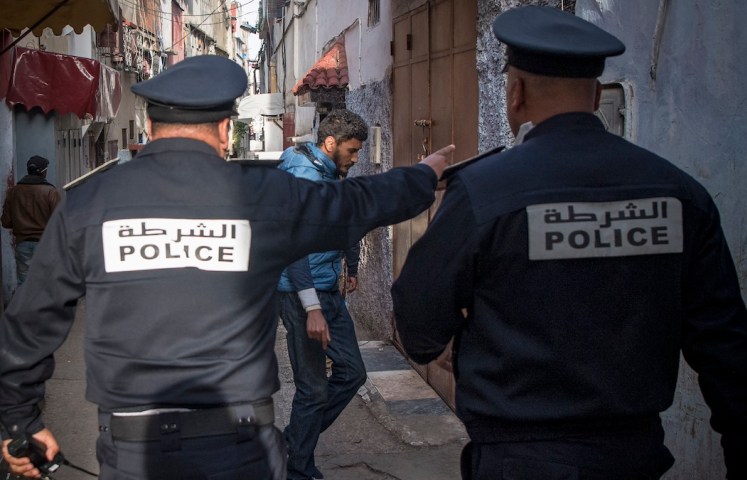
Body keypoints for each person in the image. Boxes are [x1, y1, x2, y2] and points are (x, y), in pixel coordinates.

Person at [0, 54, 455, 480]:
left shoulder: (87, 204)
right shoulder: (262, 198)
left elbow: (30, 320)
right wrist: (423, 175)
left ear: (150, 124)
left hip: (133, 453)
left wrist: (21, 422)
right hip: (239, 447)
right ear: (223, 129)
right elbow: (354, 203)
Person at [392, 6, 747, 480]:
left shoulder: (485, 192)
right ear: (597, 93)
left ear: (515, 93)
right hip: (634, 457)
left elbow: (417, 315)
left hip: (516, 458)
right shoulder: (680, 194)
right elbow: (726, 347)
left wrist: (441, 343)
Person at [276, 109, 368, 480]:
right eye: (352, 150)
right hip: (301, 296)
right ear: (330, 144)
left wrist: (353, 265)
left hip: (328, 288)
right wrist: (311, 307)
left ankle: (293, 444)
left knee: (353, 372)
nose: (356, 157)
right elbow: (294, 246)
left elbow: (345, 219)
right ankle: (297, 467)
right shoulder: (304, 177)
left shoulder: (331, 173)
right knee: (313, 388)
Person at [1, 155, 61, 286]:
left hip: (22, 245)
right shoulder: (51, 192)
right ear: (44, 172)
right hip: (45, 244)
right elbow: (59, 221)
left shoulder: (13, 192)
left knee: (24, 285)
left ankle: (27, 306)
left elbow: (5, 222)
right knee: (47, 283)